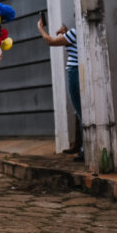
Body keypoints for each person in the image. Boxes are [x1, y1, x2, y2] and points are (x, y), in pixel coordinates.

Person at [38, 16, 83, 158]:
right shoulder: (78, 33)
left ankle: (84, 150)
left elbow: (50, 41)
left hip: (74, 72)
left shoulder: (76, 32)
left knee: (80, 110)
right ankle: (81, 147)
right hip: (78, 71)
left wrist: (40, 27)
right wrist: (66, 32)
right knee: (80, 110)